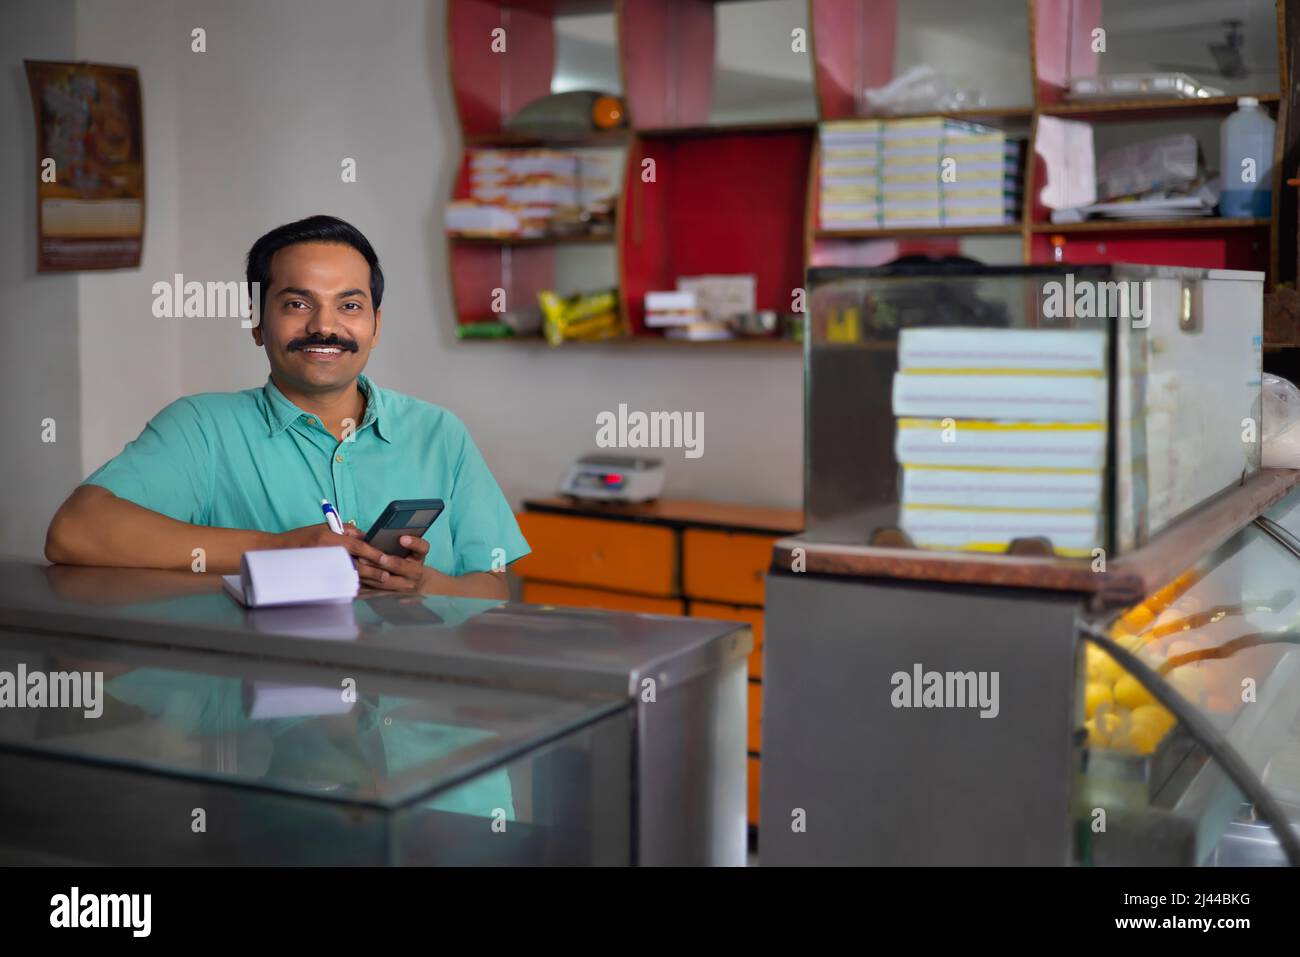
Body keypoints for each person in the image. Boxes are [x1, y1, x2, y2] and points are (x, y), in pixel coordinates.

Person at [46, 215, 527, 597]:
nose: (325, 326)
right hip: (260, 701)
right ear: (257, 321)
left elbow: (491, 586)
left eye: (350, 306)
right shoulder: (203, 428)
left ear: (375, 326)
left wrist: (425, 585)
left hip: (417, 709)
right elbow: (74, 532)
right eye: (297, 304)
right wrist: (277, 547)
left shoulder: (438, 432)